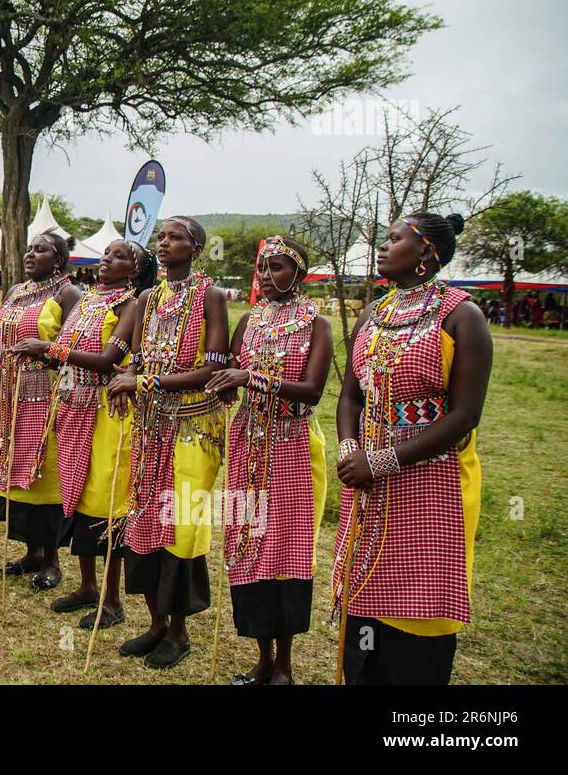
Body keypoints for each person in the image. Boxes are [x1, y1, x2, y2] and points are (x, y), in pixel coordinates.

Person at [332, 213, 490, 685]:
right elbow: (350, 396)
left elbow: (464, 416)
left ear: (425, 251)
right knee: (365, 603)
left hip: (431, 482)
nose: (382, 247)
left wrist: (378, 462)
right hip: (364, 476)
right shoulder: (373, 313)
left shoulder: (462, 316)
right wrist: (348, 448)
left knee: (418, 605)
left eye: (393, 239)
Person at [203, 236, 332, 685]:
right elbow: (231, 376)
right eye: (262, 268)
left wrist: (251, 378)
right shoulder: (250, 320)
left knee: (287, 548)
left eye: (276, 267)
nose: (265, 276)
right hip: (247, 440)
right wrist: (223, 385)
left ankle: (285, 665)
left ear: (299, 272)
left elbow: (312, 390)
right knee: (249, 543)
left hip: (292, 442)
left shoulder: (317, 324)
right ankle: (261, 658)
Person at [107, 216, 229, 669]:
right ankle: (156, 623)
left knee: (182, 523)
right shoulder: (146, 297)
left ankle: (179, 632)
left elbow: (212, 371)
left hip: (194, 428)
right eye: (160, 236)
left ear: (196, 247)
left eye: (175, 237)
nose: (165, 243)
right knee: (144, 520)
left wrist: (145, 382)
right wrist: (126, 377)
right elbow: (135, 359)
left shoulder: (211, 297)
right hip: (150, 425)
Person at [18, 239, 144, 629]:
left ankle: (111, 599)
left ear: (134, 271)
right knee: (75, 494)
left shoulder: (130, 304)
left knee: (103, 502)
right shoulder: (89, 298)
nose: (107, 258)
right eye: (106, 253)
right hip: (70, 405)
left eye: (119, 256)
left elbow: (108, 361)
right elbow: (67, 347)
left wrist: (49, 350)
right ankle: (87, 586)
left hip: (106, 412)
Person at [0, 232, 82, 590]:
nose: (30, 254)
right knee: (15, 471)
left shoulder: (68, 294)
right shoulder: (14, 292)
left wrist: (46, 350)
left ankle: (52, 560)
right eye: (29, 248)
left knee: (44, 474)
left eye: (40, 250)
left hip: (47, 394)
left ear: (58, 259)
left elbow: (76, 347)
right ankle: (32, 551)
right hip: (9, 393)